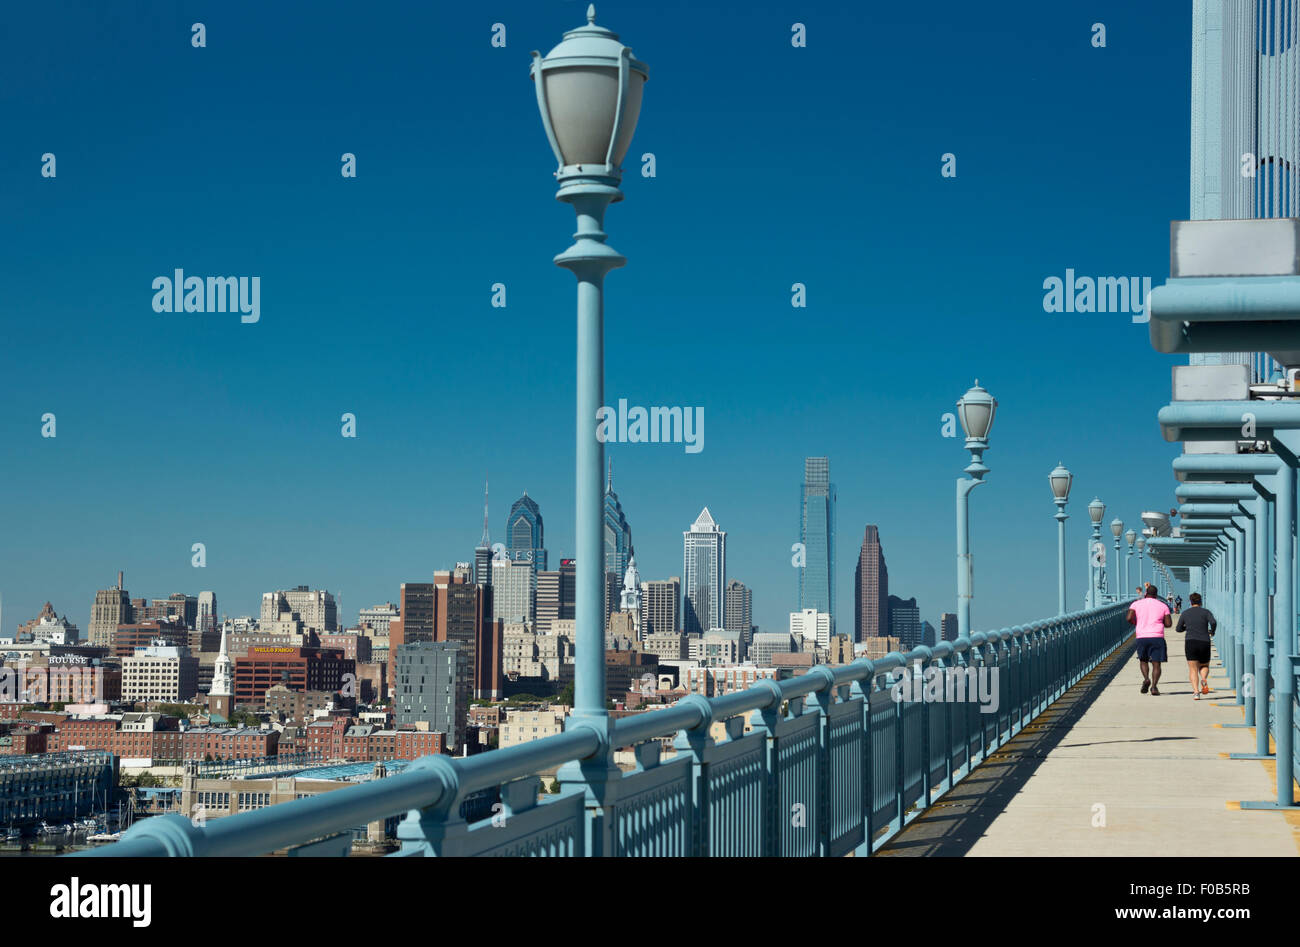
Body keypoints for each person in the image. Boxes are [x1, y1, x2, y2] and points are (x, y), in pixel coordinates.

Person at [1127, 583, 1172, 695]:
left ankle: (1146, 678)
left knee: (1143, 660)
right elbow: (1168, 624)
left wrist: (1136, 622)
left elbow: (1128, 618)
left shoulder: (1136, 604)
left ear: (1146, 594)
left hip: (1142, 636)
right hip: (1157, 637)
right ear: (1156, 595)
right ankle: (1154, 687)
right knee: (1156, 664)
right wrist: (1160, 622)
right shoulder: (1163, 606)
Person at [1176, 592, 1216, 699]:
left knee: (1193, 669)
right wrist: (1212, 631)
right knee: (1204, 665)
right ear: (1201, 601)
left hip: (1190, 642)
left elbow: (1178, 629)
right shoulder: (1206, 612)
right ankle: (1203, 679)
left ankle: (1196, 692)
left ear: (1190, 602)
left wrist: (1187, 627)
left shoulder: (1185, 613)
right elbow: (1213, 622)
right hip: (1204, 641)